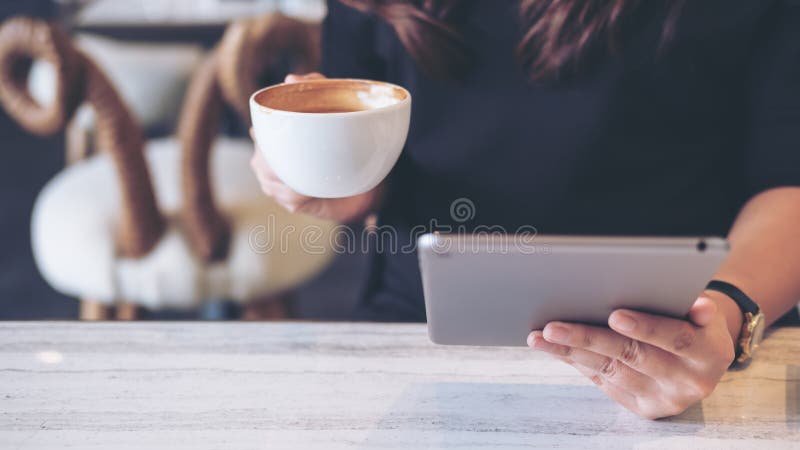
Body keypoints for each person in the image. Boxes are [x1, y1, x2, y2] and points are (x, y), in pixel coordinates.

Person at [250, 0, 800, 419]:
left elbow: (787, 181)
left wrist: (726, 317)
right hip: (416, 332)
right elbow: (386, 167)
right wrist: (346, 181)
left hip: (670, 339)